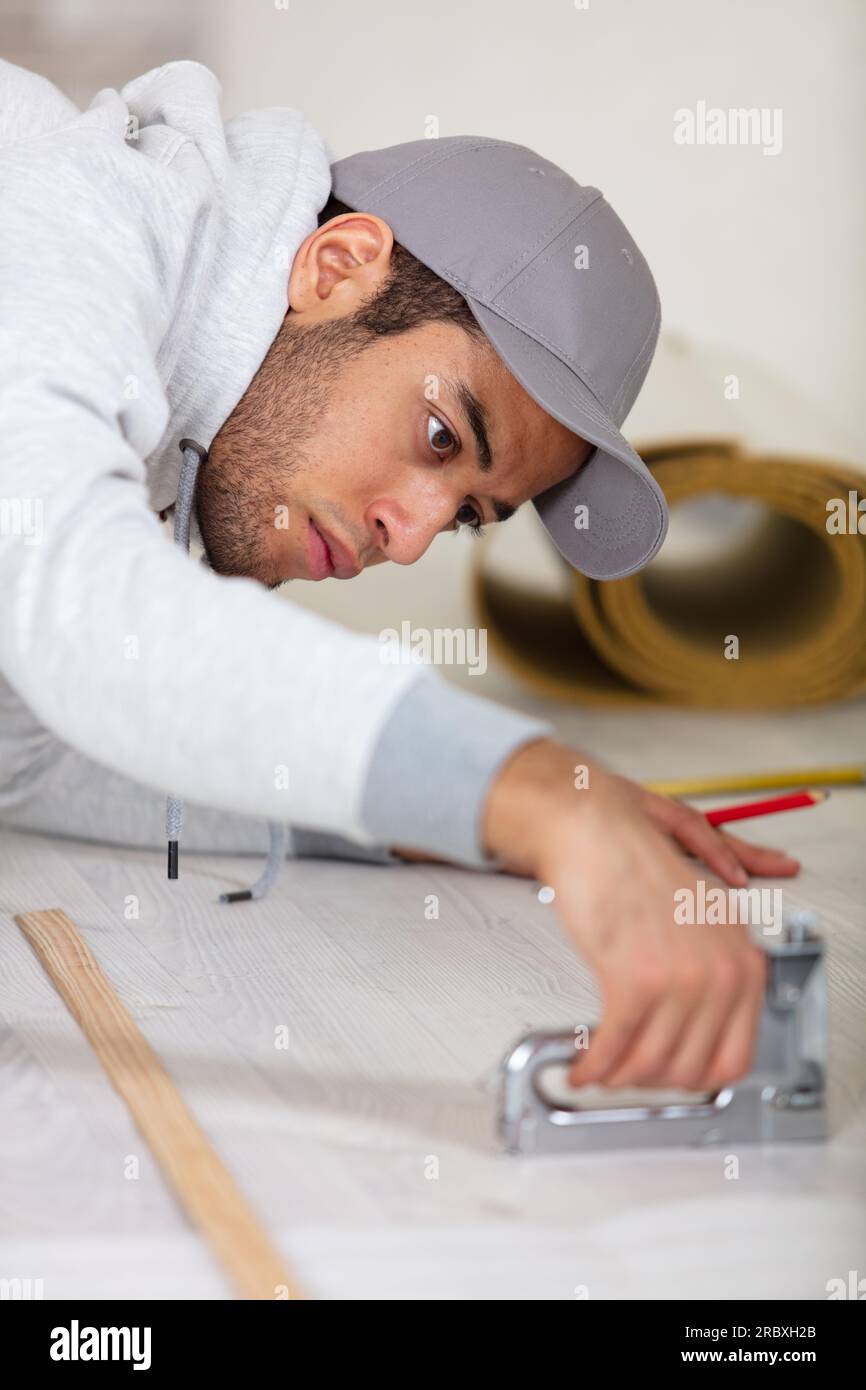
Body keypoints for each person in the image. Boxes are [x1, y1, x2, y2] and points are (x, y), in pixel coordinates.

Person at [0, 59, 798, 1094]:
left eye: (468, 514)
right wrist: (522, 788)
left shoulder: (168, 403)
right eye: (436, 435)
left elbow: (22, 752)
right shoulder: (74, 207)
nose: (412, 537)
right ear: (336, 266)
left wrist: (433, 813)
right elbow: (70, 601)